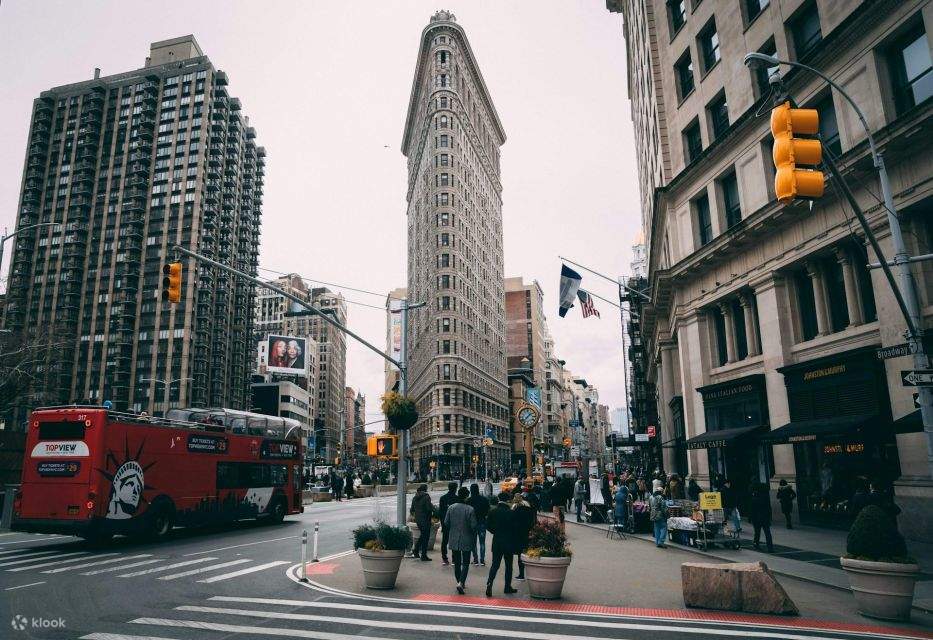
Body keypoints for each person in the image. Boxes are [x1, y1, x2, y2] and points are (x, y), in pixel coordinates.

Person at [444, 487, 476, 594]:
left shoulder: (451, 508)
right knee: (466, 562)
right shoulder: (470, 509)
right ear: (466, 496)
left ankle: (459, 581)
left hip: (453, 538)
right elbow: (473, 526)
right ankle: (461, 582)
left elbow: (446, 523)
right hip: (466, 538)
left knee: (456, 562)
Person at [485, 492, 517, 597]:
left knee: (495, 565)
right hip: (508, 541)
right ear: (508, 500)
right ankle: (507, 587)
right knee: (509, 566)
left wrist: (495, 531)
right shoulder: (511, 512)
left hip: (497, 541)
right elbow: (515, 527)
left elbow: (488, 526)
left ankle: (489, 583)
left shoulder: (493, 511)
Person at [511, 492, 535, 581]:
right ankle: (530, 573)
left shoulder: (515, 508)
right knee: (527, 553)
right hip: (527, 532)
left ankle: (521, 574)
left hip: (518, 534)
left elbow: (512, 521)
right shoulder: (527, 506)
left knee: (520, 555)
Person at [467, 483, 490, 565]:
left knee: (473, 542)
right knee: (482, 542)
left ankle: (475, 559)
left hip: (472, 524)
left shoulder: (469, 500)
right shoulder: (484, 499)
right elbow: (488, 511)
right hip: (482, 522)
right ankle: (482, 560)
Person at [410, 484, 434, 561]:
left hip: (418, 520)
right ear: (425, 489)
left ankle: (416, 550)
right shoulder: (426, 497)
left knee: (423, 535)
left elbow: (412, 510)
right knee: (425, 537)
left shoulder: (415, 497)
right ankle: (423, 555)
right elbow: (428, 509)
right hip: (425, 519)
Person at [438, 481, 458, 566]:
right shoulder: (457, 498)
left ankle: (444, 558)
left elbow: (441, 512)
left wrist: (443, 523)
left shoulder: (443, 498)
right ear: (455, 489)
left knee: (444, 541)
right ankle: (454, 559)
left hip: (445, 522)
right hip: (454, 523)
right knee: (454, 541)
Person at [750, 482, 774, 553]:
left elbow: (752, 509)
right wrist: (769, 517)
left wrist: (751, 518)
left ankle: (756, 543)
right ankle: (770, 547)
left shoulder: (755, 497)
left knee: (757, 532)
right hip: (765, 517)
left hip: (757, 518)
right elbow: (769, 508)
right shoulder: (766, 497)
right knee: (767, 532)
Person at [649, 483, 668, 547]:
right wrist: (666, 514)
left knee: (656, 528)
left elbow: (650, 507)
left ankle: (657, 541)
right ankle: (661, 541)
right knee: (663, 527)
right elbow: (663, 507)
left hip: (653, 514)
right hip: (660, 514)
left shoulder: (651, 497)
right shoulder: (660, 497)